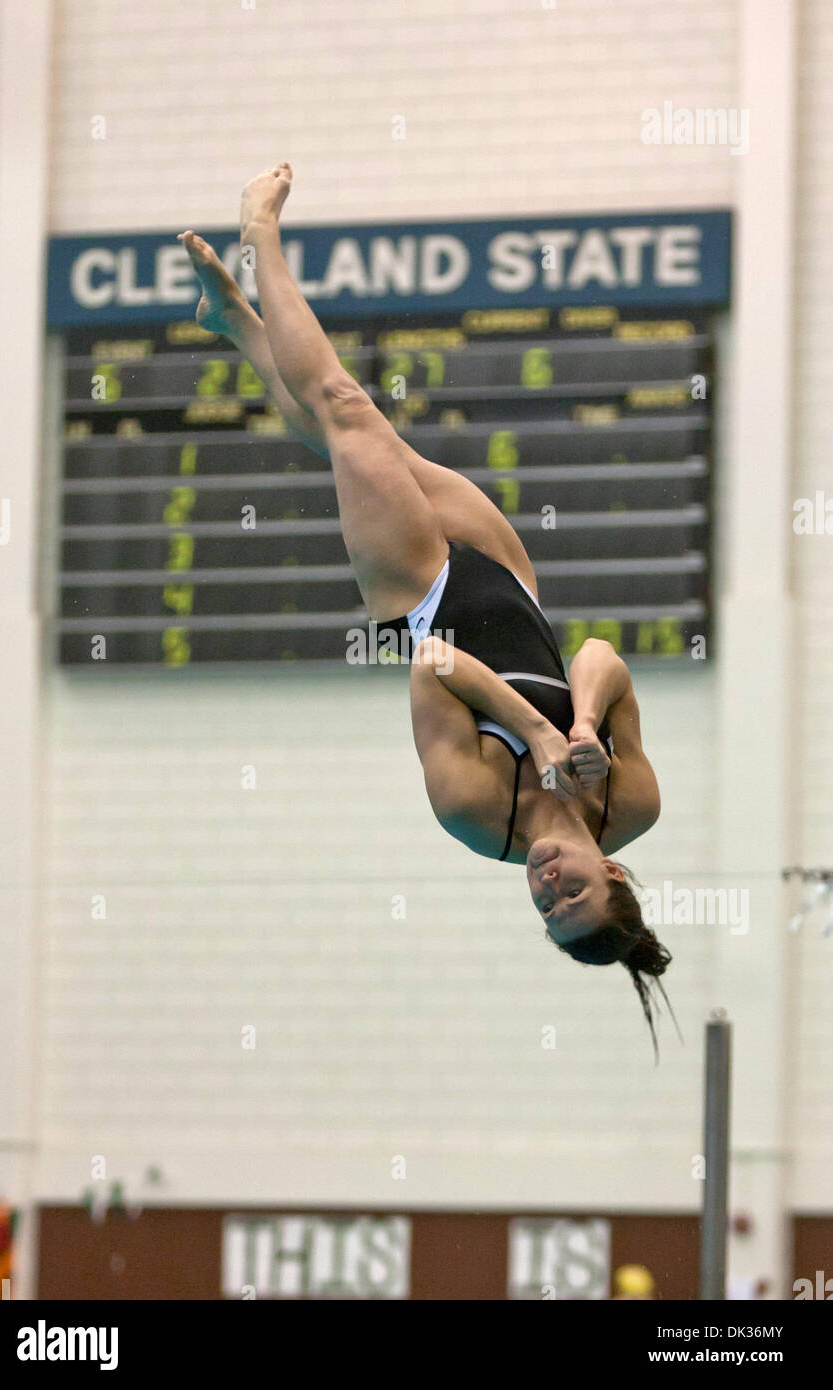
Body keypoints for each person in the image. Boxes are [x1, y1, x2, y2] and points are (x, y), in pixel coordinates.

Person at [178, 163, 675, 1052]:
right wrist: (587, 724)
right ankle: (236, 323)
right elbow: (601, 653)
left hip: (423, 591)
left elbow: (432, 666)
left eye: (546, 910)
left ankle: (262, 241)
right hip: (511, 579)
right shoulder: (630, 804)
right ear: (613, 867)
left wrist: (536, 729)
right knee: (343, 431)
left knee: (345, 410)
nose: (550, 887)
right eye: (576, 894)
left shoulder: (473, 814)